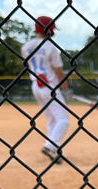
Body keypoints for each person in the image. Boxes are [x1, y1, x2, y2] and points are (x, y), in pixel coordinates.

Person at [20, 15, 70, 163]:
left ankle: (54, 150)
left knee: (52, 120)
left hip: (36, 85)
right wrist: (65, 88)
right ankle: (50, 145)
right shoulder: (51, 47)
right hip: (50, 87)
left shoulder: (26, 47)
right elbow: (59, 72)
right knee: (63, 120)